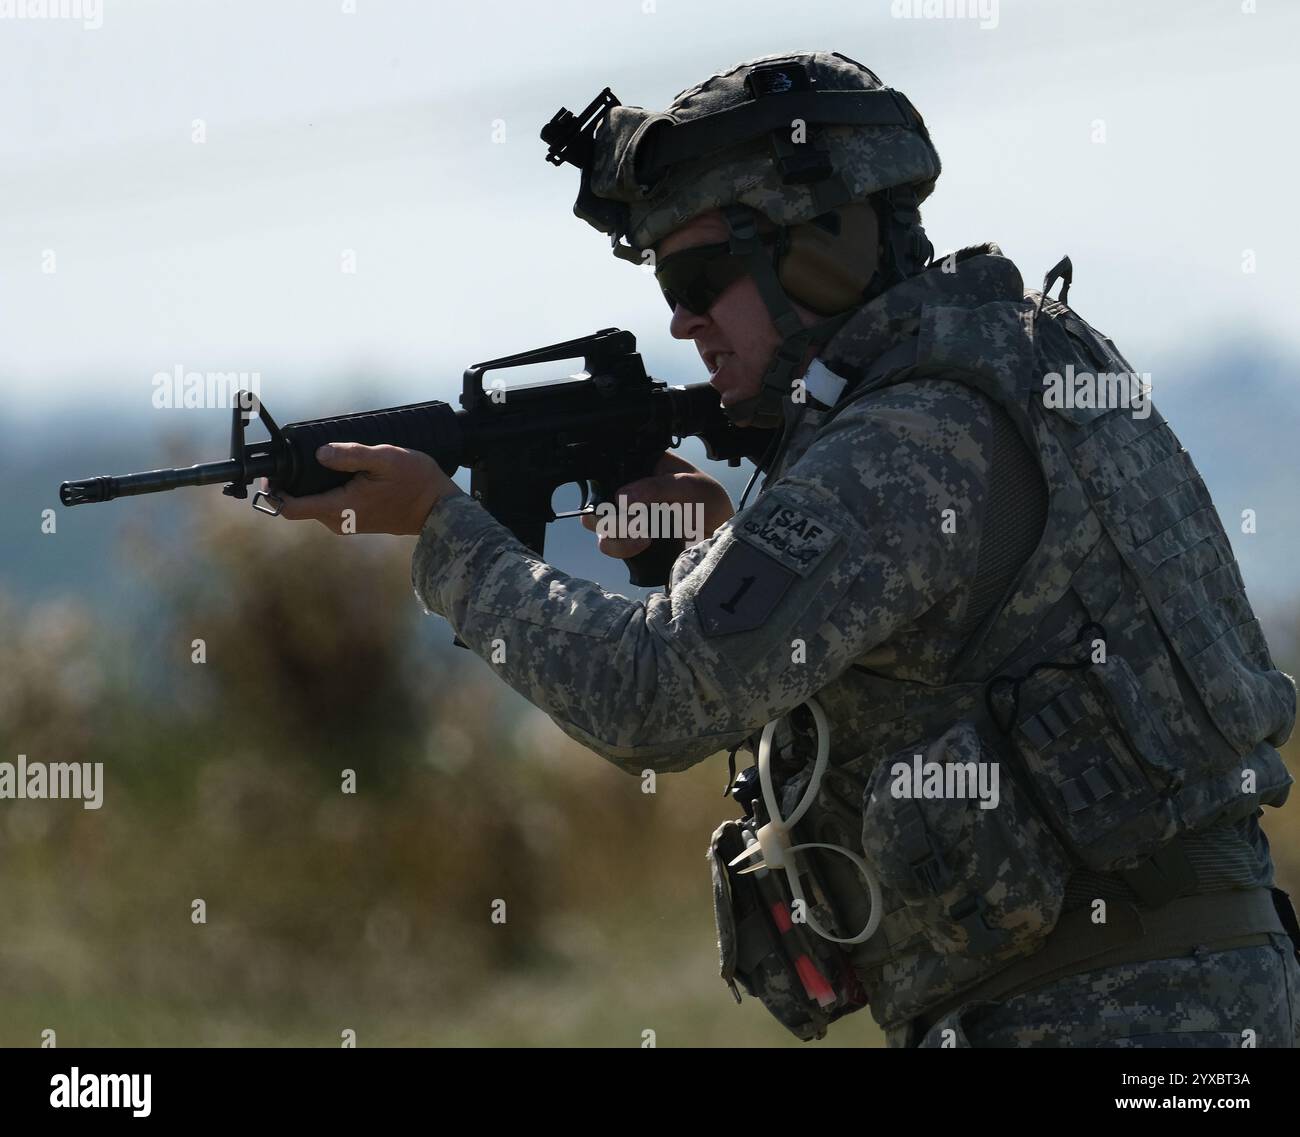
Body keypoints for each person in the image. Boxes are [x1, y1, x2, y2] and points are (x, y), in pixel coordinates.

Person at [273, 51, 1300, 1047]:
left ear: (821, 245)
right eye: (666, 288)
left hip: (1096, 1010)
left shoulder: (905, 441)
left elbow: (652, 695)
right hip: (1174, 993)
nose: (683, 325)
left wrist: (448, 539)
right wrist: (722, 544)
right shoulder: (1017, 362)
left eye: (703, 276)